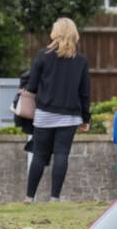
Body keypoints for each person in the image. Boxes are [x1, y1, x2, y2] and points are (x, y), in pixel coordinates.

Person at [22, 18, 91, 203]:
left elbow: (32, 86)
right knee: (62, 154)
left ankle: (29, 196)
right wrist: (86, 118)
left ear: (55, 33)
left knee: (39, 155)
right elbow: (84, 93)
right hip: (70, 116)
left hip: (45, 113)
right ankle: (54, 198)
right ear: (74, 34)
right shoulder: (81, 61)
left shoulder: (43, 56)